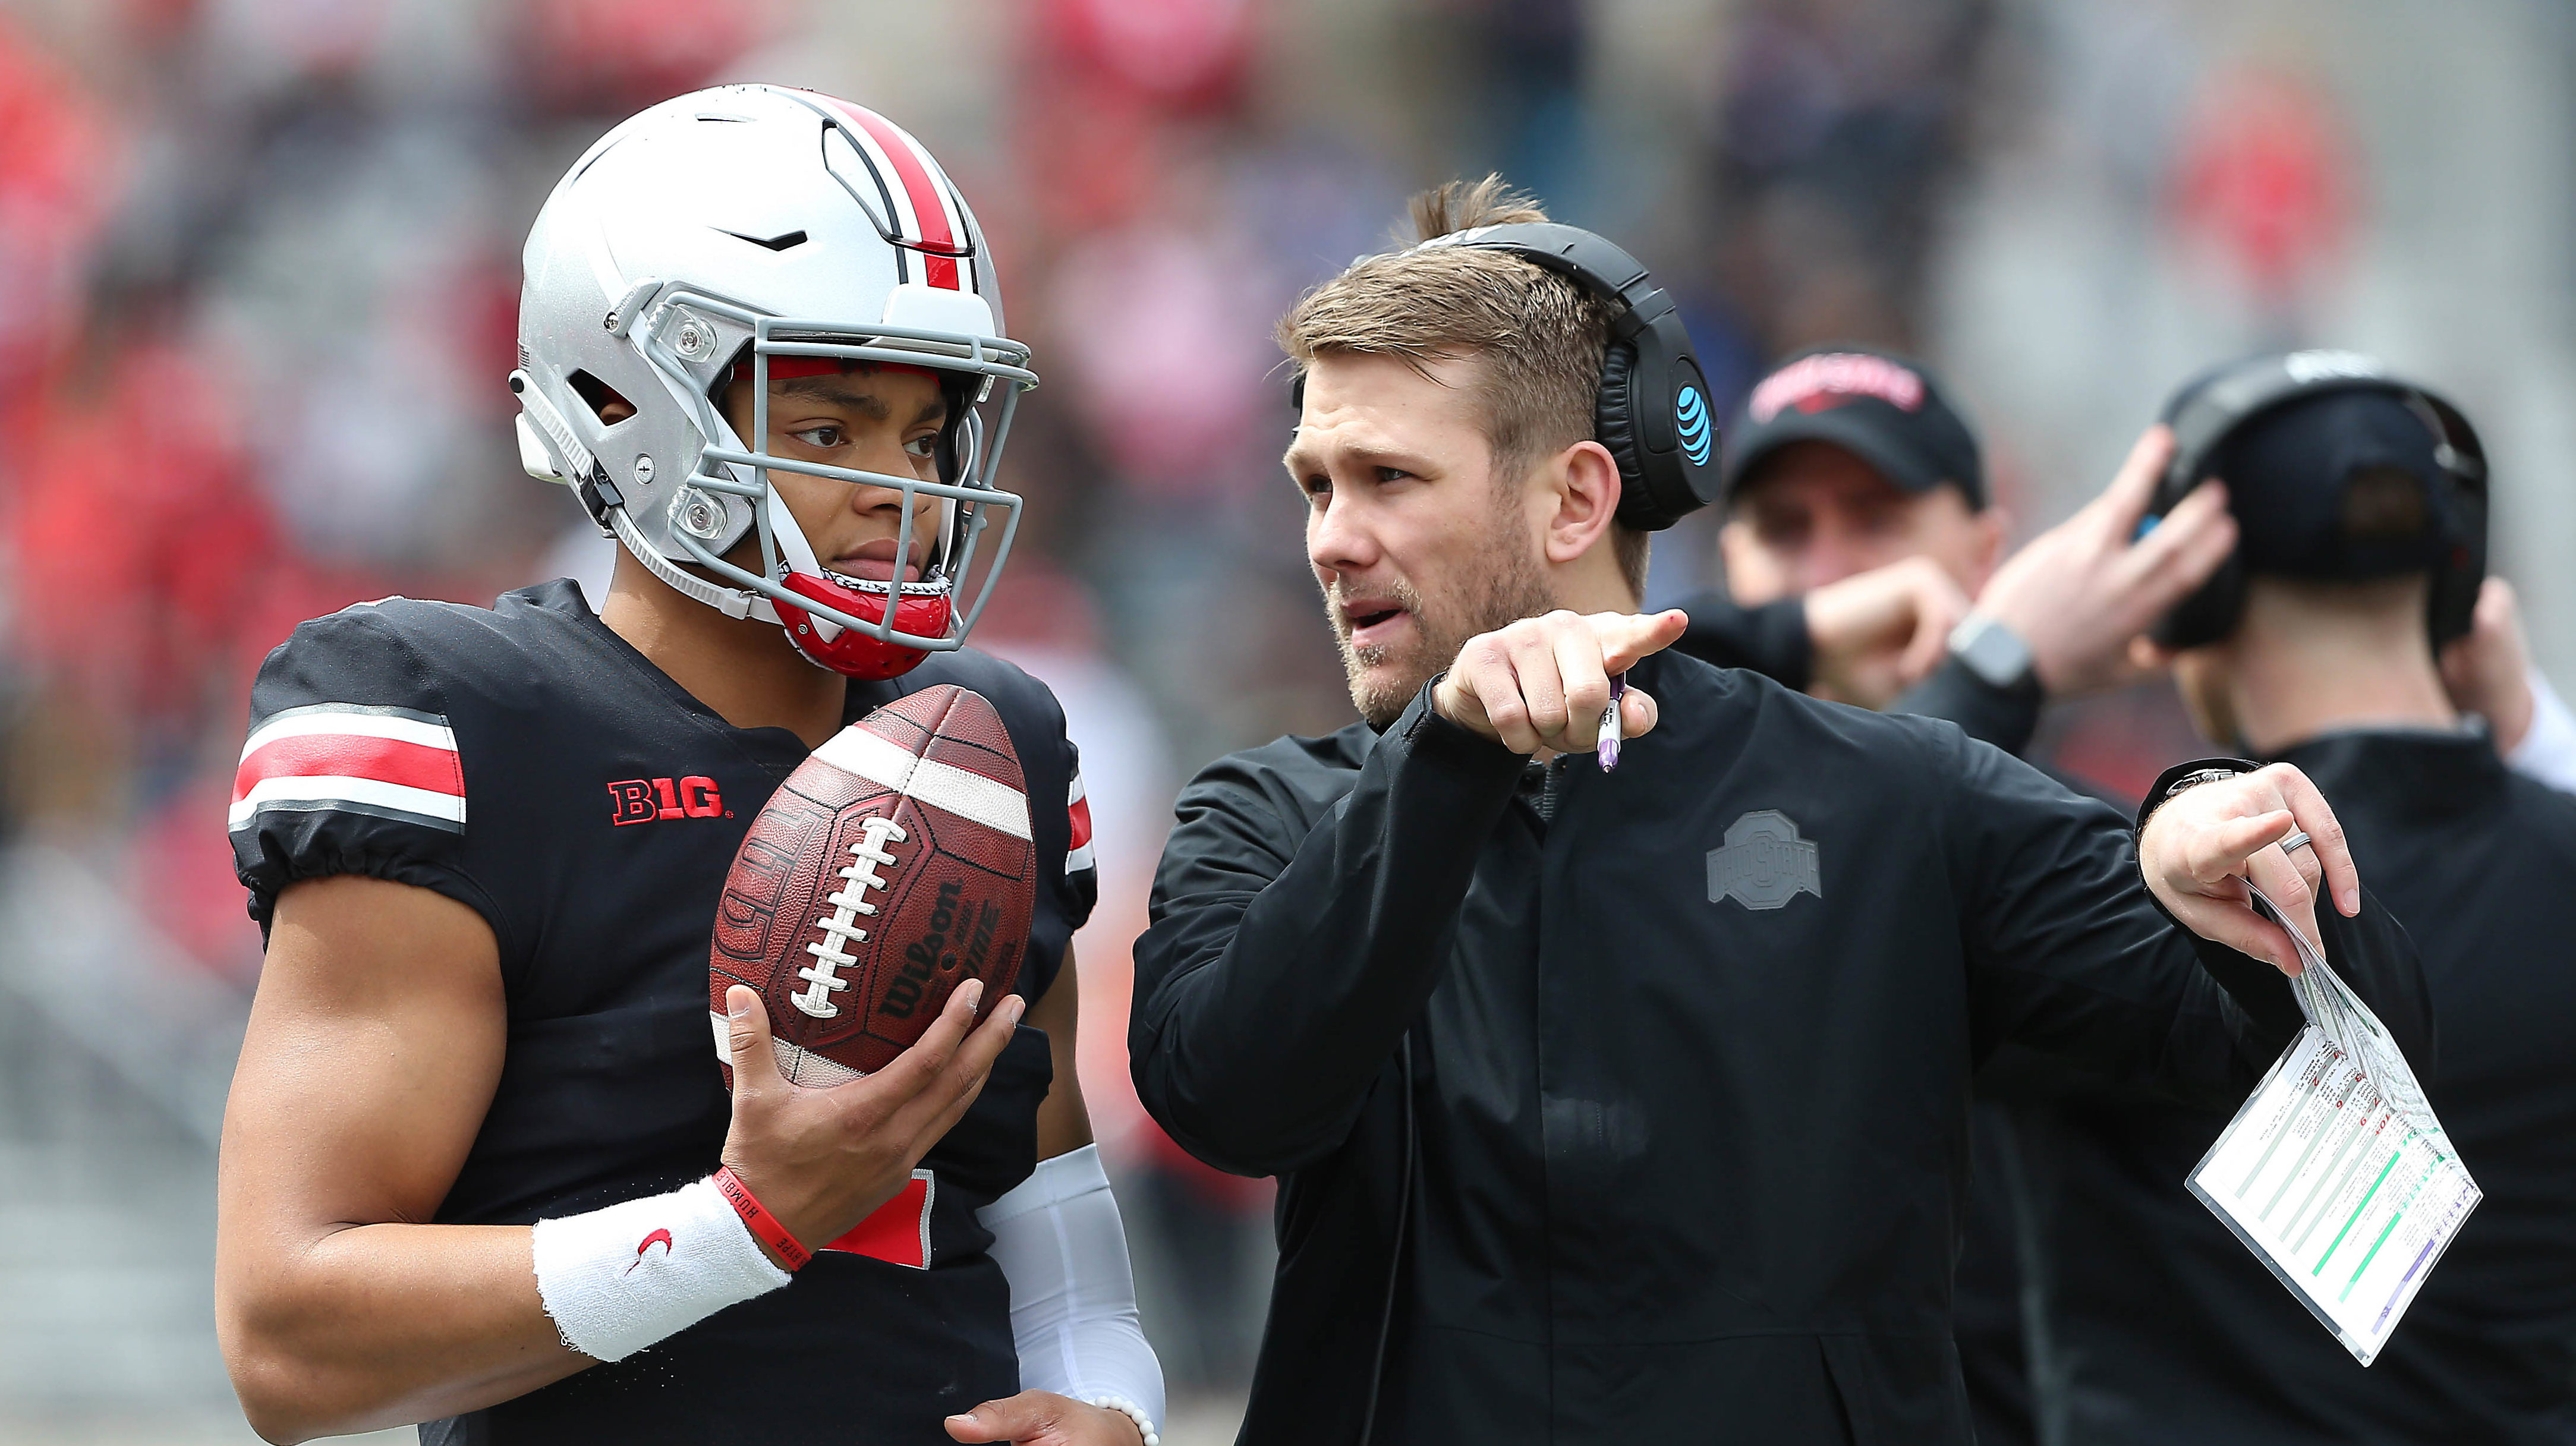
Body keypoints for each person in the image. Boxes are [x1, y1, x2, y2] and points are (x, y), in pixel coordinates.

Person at [1127, 178, 2429, 1445]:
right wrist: (1448, 763)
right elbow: (1230, 1099)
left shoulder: (1893, 795)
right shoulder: (1270, 812)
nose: (1330, 539)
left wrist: (2220, 839)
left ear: (1578, 495)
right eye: (1316, 483)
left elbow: (2345, 1036)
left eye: (1388, 478)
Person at [215, 86, 1162, 1446]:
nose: (903, 488)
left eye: (924, 430)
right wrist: (745, 1225)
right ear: (623, 402)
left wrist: (1113, 1404)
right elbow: (287, 1339)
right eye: (830, 430)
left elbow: (1062, 1252)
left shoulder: (989, 745)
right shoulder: (460, 720)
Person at [1683, 345, 2241, 1446]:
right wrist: (1992, 668)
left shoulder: (2087, 843)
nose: (1829, 569)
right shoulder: (1651, 822)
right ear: (1731, 565)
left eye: (1875, 517)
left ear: (1987, 551)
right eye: (1785, 529)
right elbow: (1802, 899)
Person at [2038, 358, 2576, 1445]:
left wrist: (2007, 658)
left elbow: (1852, 906)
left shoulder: (2120, 910)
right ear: (2459, 575)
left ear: (2192, 589)